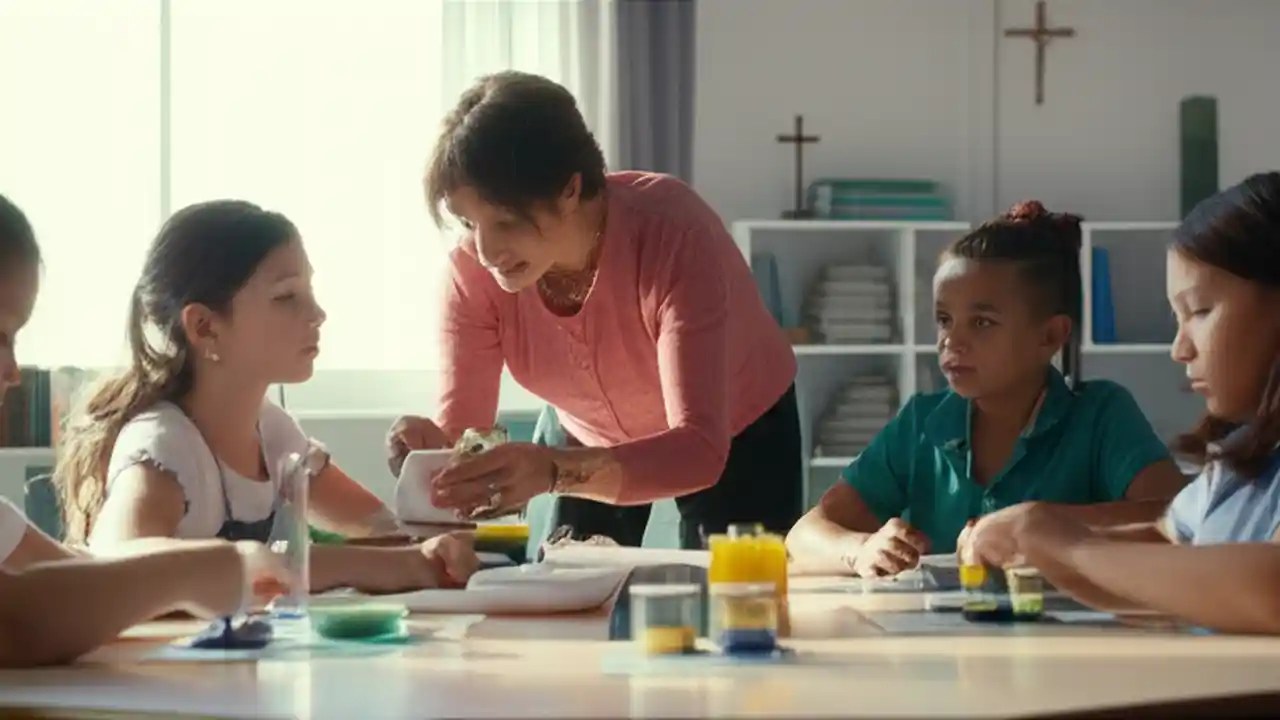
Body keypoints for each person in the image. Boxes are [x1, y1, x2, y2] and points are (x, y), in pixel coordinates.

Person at [386, 71, 801, 549]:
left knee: (739, 599)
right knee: (567, 593)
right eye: (467, 222)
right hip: (586, 430)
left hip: (737, 423)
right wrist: (431, 453)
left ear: (569, 189)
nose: (485, 249)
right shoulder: (470, 274)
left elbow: (701, 451)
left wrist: (552, 472)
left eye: (505, 220)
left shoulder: (674, 235)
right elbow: (466, 436)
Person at [54, 200, 477, 594]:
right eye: (286, 297)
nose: (317, 314)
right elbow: (117, 561)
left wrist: (433, 507)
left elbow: (383, 530)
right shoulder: (165, 445)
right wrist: (400, 564)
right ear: (204, 326)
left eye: (309, 292)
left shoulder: (273, 434)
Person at [786, 201, 1186, 575]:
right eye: (944, 319)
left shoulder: (1100, 414)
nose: (951, 341)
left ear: (1050, 336)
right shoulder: (922, 423)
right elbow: (805, 535)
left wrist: (1039, 527)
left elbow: (1178, 517)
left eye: (981, 323)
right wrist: (861, 550)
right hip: (947, 643)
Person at [966, 173, 1280, 635]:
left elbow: (1269, 587)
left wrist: (1068, 547)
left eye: (1200, 311)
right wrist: (1029, 542)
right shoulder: (1240, 462)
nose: (1180, 348)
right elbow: (1168, 552)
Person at [0, 193, 294, 667]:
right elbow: (13, 621)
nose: (14, 371)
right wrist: (191, 569)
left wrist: (220, 565)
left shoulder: (273, 428)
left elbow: (74, 570)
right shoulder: (162, 439)